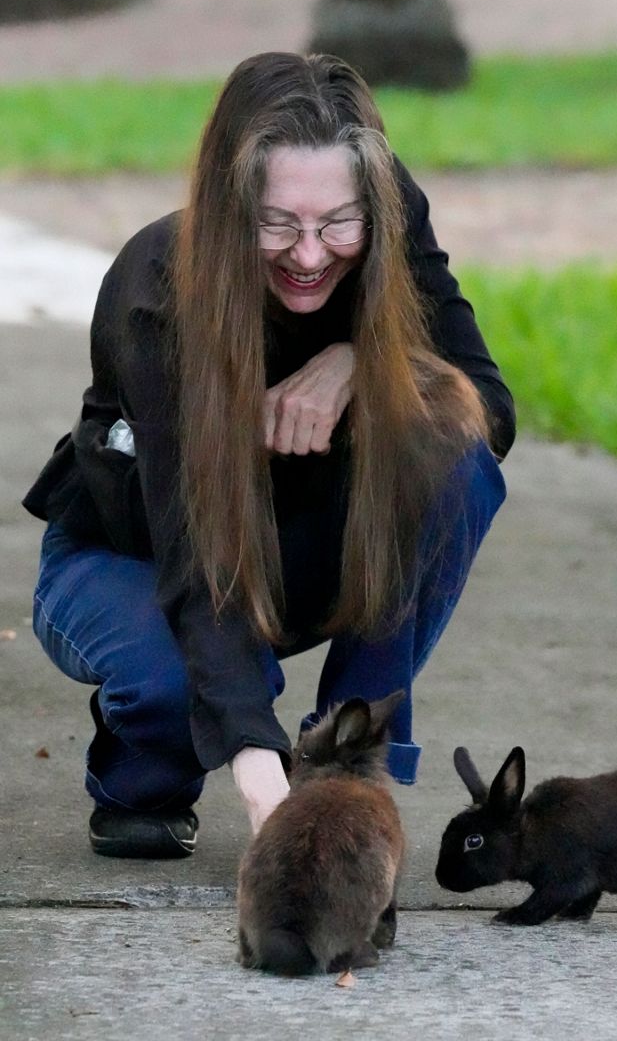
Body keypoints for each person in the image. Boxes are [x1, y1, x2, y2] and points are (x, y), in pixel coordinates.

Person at [23, 52, 515, 860]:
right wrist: (263, 781)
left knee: (454, 455)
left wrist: (363, 358)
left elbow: (492, 412)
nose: (311, 255)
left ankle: (348, 768)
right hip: (135, 555)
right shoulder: (157, 290)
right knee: (175, 684)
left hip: (297, 557)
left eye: (338, 224)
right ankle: (142, 773)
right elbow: (195, 558)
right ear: (229, 204)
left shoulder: (390, 218)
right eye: (277, 223)